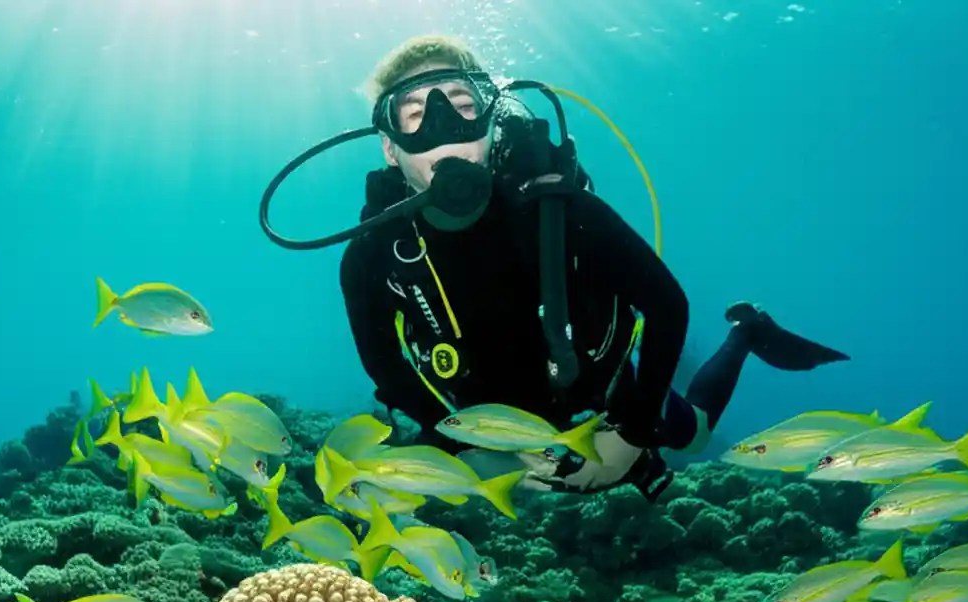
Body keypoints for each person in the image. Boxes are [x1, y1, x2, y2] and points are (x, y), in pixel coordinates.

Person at [266, 35, 849, 501]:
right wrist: (466, 444)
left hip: (599, 395)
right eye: (415, 112)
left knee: (690, 436)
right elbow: (387, 370)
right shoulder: (371, 254)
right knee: (392, 493)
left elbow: (668, 306)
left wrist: (631, 434)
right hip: (479, 420)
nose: (444, 127)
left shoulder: (560, 209)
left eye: (464, 106)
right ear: (390, 145)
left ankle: (746, 332)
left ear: (493, 124)